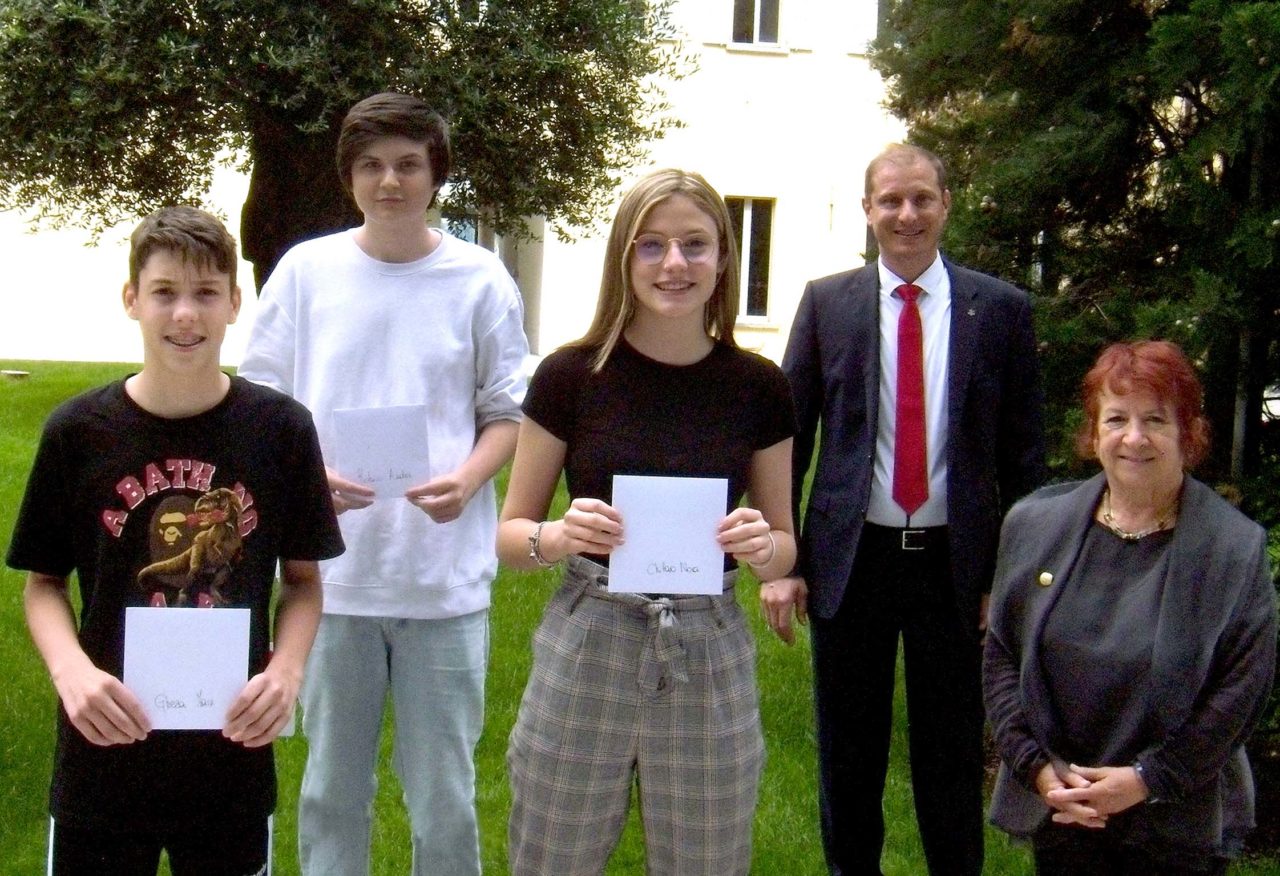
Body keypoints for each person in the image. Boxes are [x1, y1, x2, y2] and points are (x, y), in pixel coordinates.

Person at [237, 92, 529, 876]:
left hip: (442, 586)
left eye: (407, 164)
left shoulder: (480, 278)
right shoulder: (306, 272)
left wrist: (469, 481)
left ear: (437, 175)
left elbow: (506, 411)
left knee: (444, 797)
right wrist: (305, 478)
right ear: (349, 176)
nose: (389, 181)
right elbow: (258, 407)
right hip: (332, 585)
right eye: (371, 165)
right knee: (332, 792)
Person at [6, 206, 343, 875]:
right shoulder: (77, 432)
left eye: (205, 294)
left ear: (233, 305)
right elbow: (42, 585)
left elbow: (303, 583)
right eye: (164, 292)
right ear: (132, 300)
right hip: (102, 756)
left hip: (229, 757)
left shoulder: (279, 431)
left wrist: (286, 670)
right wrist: (70, 673)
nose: (185, 314)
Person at [497, 168, 799, 875]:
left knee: (707, 858)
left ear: (724, 257)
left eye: (695, 245)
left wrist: (765, 547)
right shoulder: (571, 376)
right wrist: (558, 536)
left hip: (708, 644)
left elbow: (785, 548)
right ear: (623, 258)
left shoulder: (759, 388)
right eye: (652, 245)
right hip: (590, 636)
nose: (674, 264)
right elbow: (510, 534)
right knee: (553, 856)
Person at [778, 142, 1046, 875]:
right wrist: (785, 560)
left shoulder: (1001, 311)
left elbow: (1025, 458)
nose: (906, 214)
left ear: (946, 205)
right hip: (851, 558)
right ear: (867, 211)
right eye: (890, 200)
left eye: (921, 198)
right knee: (848, 753)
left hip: (956, 568)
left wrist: (1011, 577)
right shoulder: (828, 305)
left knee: (952, 751)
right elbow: (787, 441)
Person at [984, 340, 1277, 875]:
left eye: (1156, 420)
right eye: (1116, 418)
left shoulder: (1234, 549)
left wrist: (1147, 780)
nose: (1134, 438)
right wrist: (1038, 770)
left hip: (1174, 820)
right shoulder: (1034, 525)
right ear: (1093, 434)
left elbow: (1241, 691)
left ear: (1187, 435)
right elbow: (1003, 653)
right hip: (1063, 813)